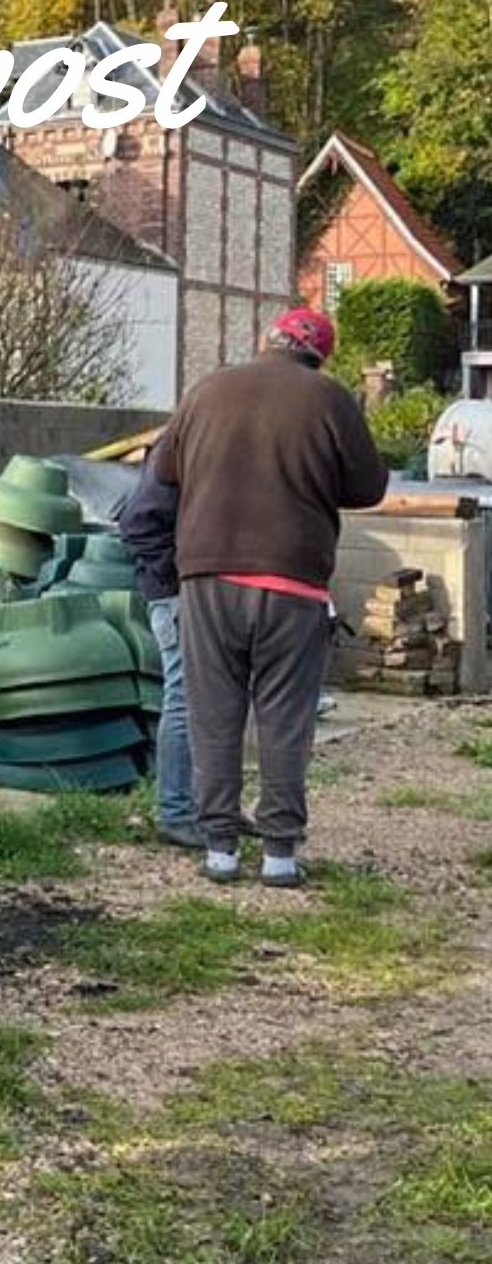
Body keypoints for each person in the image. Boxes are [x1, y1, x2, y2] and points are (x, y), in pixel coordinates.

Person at [148, 306, 388, 887]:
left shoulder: (207, 389)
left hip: (207, 576)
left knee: (213, 712)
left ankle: (220, 851)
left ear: (266, 341)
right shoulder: (329, 399)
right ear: (319, 353)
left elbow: (165, 471)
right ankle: (280, 855)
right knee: (285, 718)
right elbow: (369, 486)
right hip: (292, 580)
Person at [116, 456, 198, 849]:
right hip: (174, 597)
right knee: (184, 700)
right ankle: (175, 812)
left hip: (189, 594)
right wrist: (178, 576)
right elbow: (136, 523)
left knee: (213, 703)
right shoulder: (177, 451)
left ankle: (204, 806)